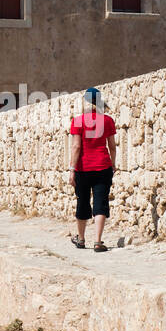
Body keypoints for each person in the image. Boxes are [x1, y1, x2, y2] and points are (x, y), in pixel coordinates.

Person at [67, 86, 117, 252]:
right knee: (100, 202)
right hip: (103, 166)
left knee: (82, 201)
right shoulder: (107, 120)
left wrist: (72, 169)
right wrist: (114, 163)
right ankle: (97, 241)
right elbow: (112, 146)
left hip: (83, 167)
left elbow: (76, 146)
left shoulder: (78, 121)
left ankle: (81, 239)